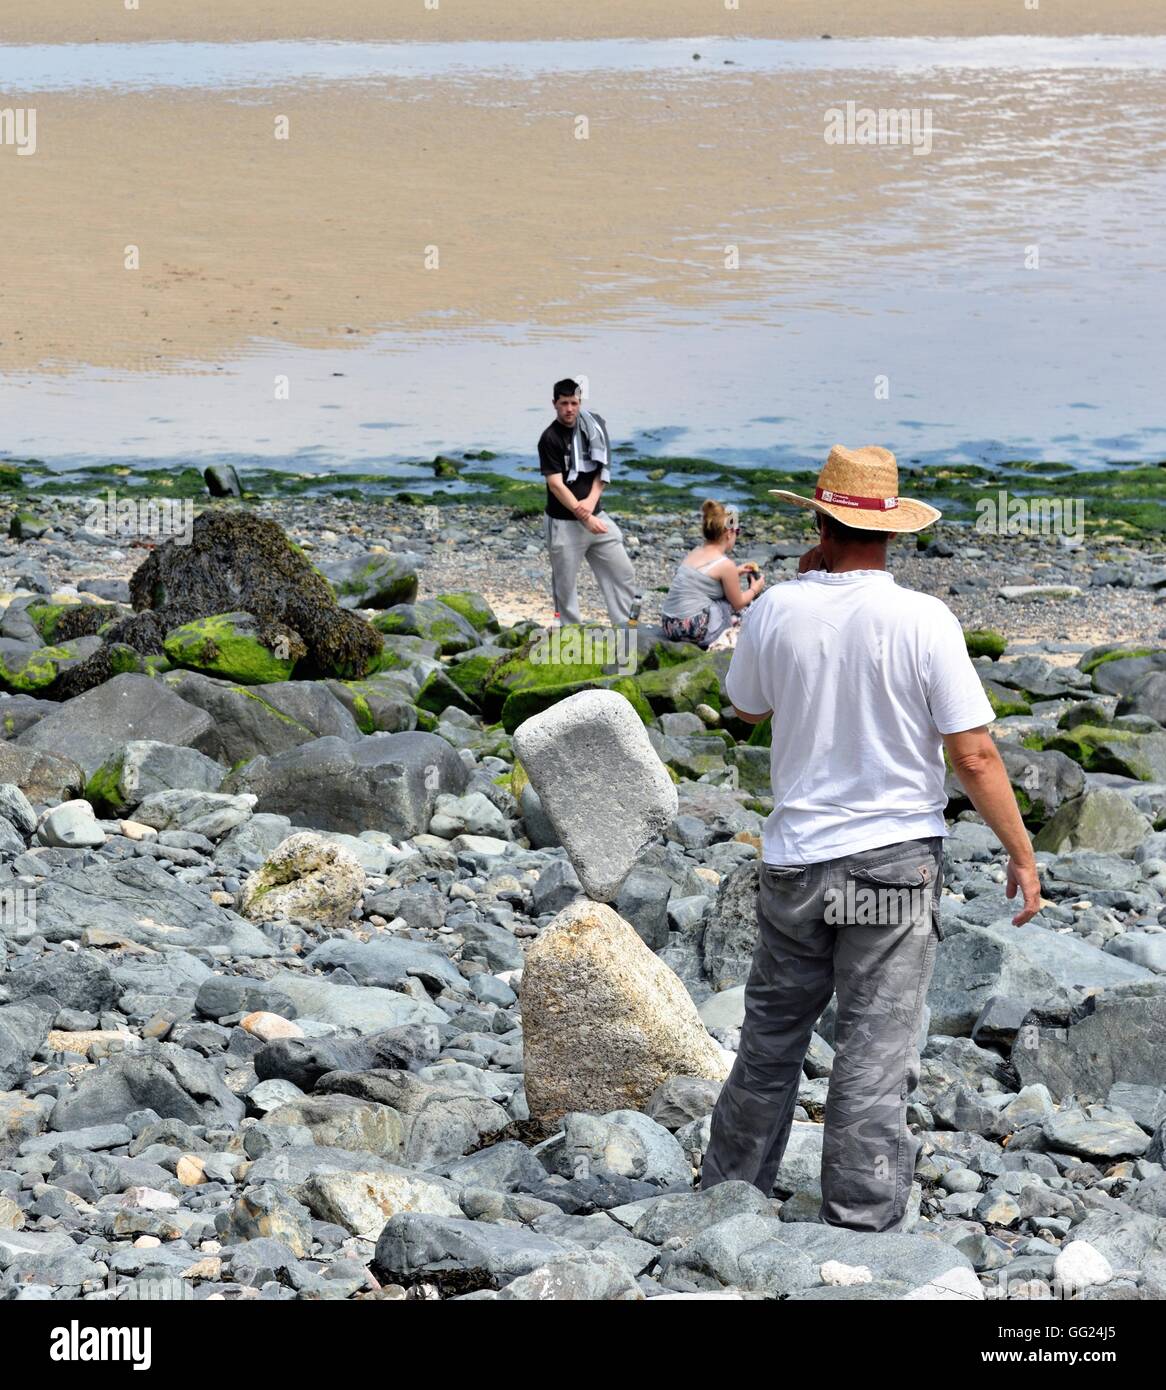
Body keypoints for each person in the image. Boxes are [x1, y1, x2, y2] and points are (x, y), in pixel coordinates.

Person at [698, 443, 1044, 1234]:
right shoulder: (924, 618)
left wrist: (796, 585)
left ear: (819, 522)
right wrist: (1022, 855)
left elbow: (745, 709)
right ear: (893, 533)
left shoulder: (779, 605)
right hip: (890, 863)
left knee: (771, 1041)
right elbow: (974, 753)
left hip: (796, 861)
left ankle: (726, 1200)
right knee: (873, 1049)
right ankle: (860, 1221)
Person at [537, 379, 637, 626]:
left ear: (580, 402)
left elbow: (602, 470)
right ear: (554, 404)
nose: (569, 409)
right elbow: (556, 485)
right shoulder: (549, 438)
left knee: (623, 572)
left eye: (574, 403)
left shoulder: (595, 427)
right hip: (564, 524)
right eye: (564, 404)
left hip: (596, 517)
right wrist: (585, 517)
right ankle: (570, 634)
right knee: (565, 586)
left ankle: (626, 629)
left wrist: (592, 504)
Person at [659, 500, 765, 648]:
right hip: (692, 629)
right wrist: (755, 589)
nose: (737, 535)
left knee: (721, 600)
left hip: (669, 624)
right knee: (732, 606)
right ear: (729, 533)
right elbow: (739, 602)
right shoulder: (725, 565)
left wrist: (736, 572)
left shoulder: (695, 552)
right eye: (737, 531)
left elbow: (704, 580)